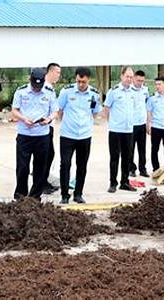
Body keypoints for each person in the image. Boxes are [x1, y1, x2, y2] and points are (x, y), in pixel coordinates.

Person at [12, 68, 58, 201]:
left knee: (40, 167)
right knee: (22, 167)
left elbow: (55, 111)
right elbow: (14, 110)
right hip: (24, 135)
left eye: (39, 86)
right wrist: (23, 119)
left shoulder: (49, 92)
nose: (36, 88)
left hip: (42, 135)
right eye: (34, 85)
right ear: (30, 80)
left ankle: (35, 197)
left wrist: (48, 119)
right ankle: (20, 195)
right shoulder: (21, 91)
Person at [58, 67, 101, 204]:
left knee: (82, 166)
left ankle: (78, 194)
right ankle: (64, 195)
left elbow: (94, 112)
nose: (81, 84)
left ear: (88, 80)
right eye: (78, 81)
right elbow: (60, 111)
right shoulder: (66, 91)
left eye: (83, 81)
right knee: (65, 165)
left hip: (84, 136)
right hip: (67, 135)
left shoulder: (94, 94)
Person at [104, 66, 137, 193]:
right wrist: (111, 123)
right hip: (115, 131)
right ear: (121, 76)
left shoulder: (133, 92)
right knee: (114, 158)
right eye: (127, 76)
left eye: (131, 77)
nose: (129, 79)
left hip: (128, 130)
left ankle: (124, 182)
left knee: (127, 158)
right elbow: (106, 108)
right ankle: (113, 183)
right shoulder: (114, 91)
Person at [146, 76, 164, 172]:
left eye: (159, 84)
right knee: (154, 149)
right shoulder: (152, 98)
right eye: (156, 84)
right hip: (156, 127)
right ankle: (156, 169)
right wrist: (148, 125)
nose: (157, 86)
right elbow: (149, 112)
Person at [42, 62, 62, 194]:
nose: (58, 76)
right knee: (46, 155)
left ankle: (44, 180)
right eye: (57, 72)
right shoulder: (43, 87)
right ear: (50, 71)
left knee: (49, 155)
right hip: (44, 126)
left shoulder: (50, 87)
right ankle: (42, 183)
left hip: (50, 126)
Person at [129, 70, 150, 177]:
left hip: (142, 124)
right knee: (130, 149)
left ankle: (143, 169)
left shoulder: (146, 90)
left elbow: (147, 106)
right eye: (138, 80)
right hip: (131, 124)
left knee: (142, 149)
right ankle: (131, 169)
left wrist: (148, 123)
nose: (140, 82)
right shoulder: (129, 90)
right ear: (133, 79)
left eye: (142, 81)